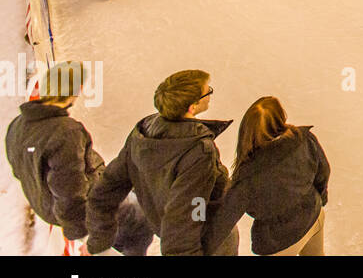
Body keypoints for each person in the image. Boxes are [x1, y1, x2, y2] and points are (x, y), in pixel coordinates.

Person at [86, 70, 238, 255]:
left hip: (167, 225)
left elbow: (105, 191)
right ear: (192, 107)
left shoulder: (142, 134)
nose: (210, 96)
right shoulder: (198, 151)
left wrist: (98, 243)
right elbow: (188, 214)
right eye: (208, 92)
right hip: (208, 236)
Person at [4, 62, 150, 255]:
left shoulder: (17, 125)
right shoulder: (65, 132)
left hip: (48, 206)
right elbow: (69, 193)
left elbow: (20, 171)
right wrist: (86, 238)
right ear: (77, 90)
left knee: (133, 189)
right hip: (79, 212)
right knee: (140, 218)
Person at [205, 97, 330, 256]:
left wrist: (195, 250)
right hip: (314, 217)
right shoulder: (305, 138)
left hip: (280, 242)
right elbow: (323, 171)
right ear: (281, 117)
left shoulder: (247, 178)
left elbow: (224, 220)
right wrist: (321, 199)